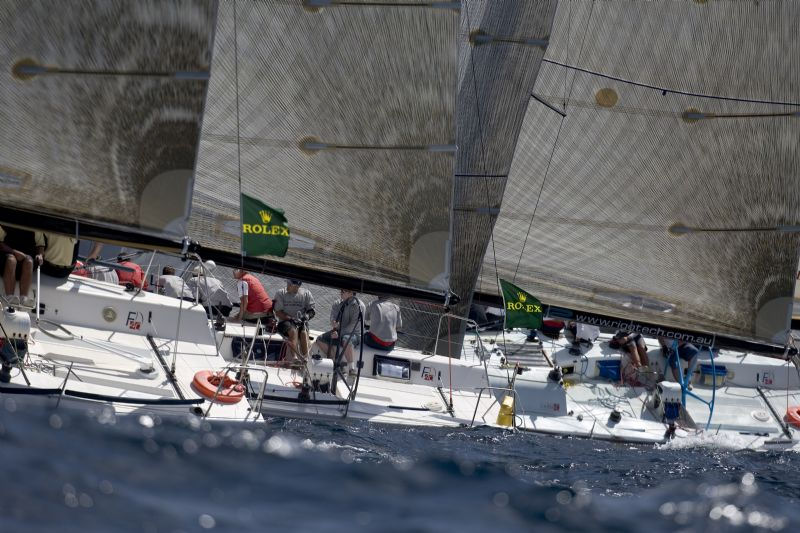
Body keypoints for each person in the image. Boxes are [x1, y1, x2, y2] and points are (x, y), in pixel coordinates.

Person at [312, 289, 365, 375]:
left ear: (351, 293)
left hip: (354, 334)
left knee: (346, 339)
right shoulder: (337, 303)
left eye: (343, 291)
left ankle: (352, 369)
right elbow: (333, 317)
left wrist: (339, 333)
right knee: (320, 339)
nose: (341, 292)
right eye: (341, 290)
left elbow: (352, 326)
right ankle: (335, 363)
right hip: (338, 332)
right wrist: (333, 322)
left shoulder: (360, 306)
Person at [273, 279, 315, 360]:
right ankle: (294, 358)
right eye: (287, 283)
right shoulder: (280, 293)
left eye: (290, 284)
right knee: (293, 331)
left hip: (301, 321)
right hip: (285, 322)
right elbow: (278, 312)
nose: (287, 285)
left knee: (303, 333)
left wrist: (306, 317)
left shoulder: (306, 294)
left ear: (297, 286)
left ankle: (306, 358)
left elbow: (312, 311)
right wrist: (291, 319)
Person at [0, 225, 35, 307]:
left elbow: (40, 244)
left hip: (23, 257)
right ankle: (9, 297)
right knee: (11, 260)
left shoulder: (34, 226)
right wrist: (14, 252)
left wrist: (40, 254)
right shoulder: (4, 224)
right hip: (6, 256)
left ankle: (24, 299)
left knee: (29, 260)